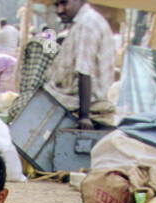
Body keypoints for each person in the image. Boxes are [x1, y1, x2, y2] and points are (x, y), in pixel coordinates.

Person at [46, 0, 116, 129]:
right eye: (57, 5)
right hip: (74, 98)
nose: (59, 10)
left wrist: (84, 116)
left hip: (80, 102)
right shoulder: (82, 22)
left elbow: (84, 71)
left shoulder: (87, 24)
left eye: (64, 3)